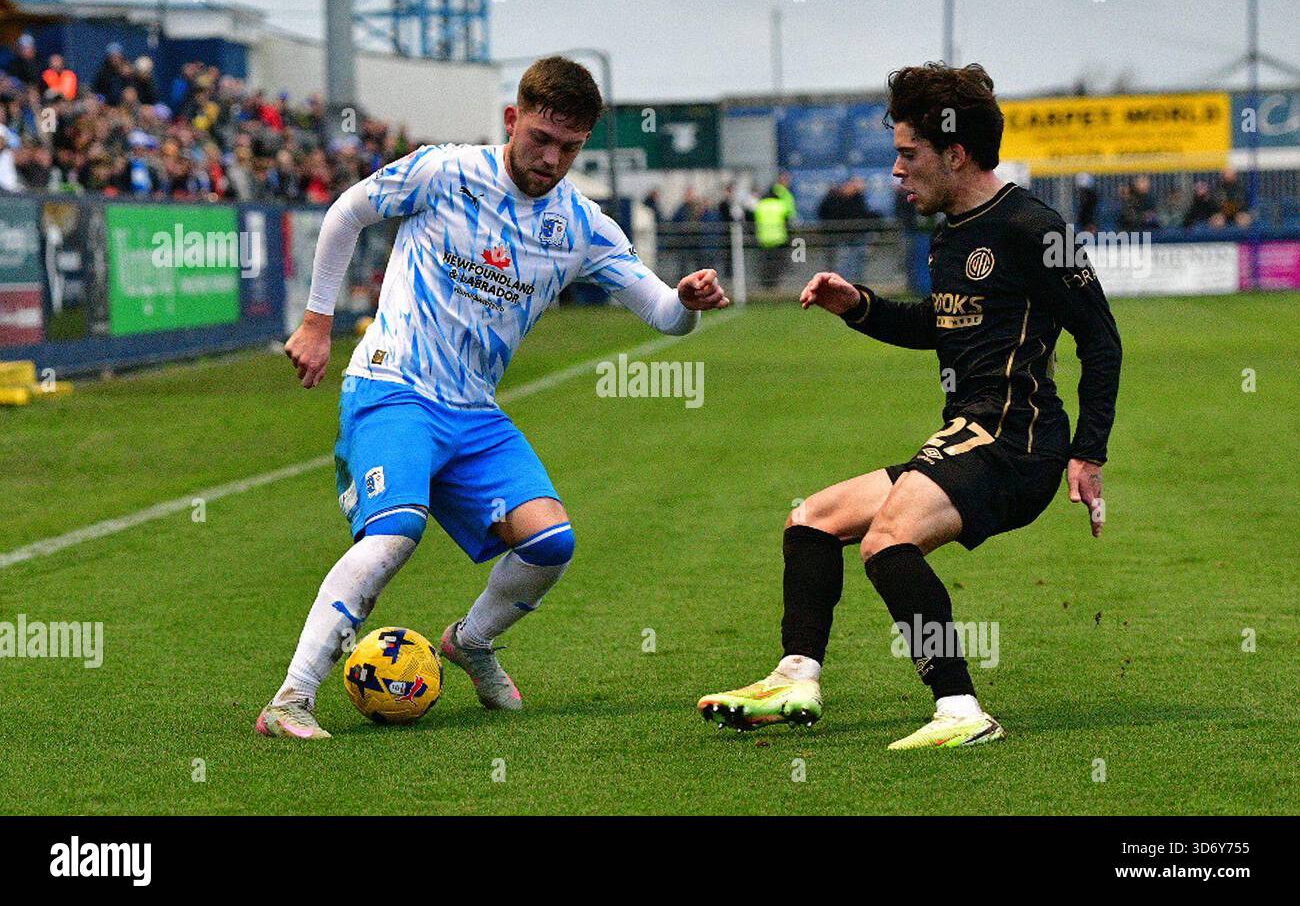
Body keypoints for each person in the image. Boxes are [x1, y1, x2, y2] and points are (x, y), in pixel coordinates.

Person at [257, 56, 730, 739]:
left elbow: (662, 313)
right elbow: (347, 212)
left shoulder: (581, 225)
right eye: (541, 137)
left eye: (569, 147)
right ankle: (291, 699)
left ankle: (470, 641)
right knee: (396, 532)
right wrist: (316, 320)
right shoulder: (445, 172)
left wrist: (689, 302)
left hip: (473, 411)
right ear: (512, 119)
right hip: (394, 384)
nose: (551, 157)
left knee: (550, 542)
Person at [698, 62, 1121, 750]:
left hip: (1017, 440)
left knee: (887, 540)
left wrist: (1089, 452)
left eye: (907, 154)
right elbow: (940, 326)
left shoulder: (1030, 226)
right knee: (810, 520)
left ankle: (961, 711)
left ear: (954, 153)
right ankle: (794, 677)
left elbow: (1101, 341)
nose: (897, 170)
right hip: (970, 433)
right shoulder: (952, 230)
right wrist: (858, 305)